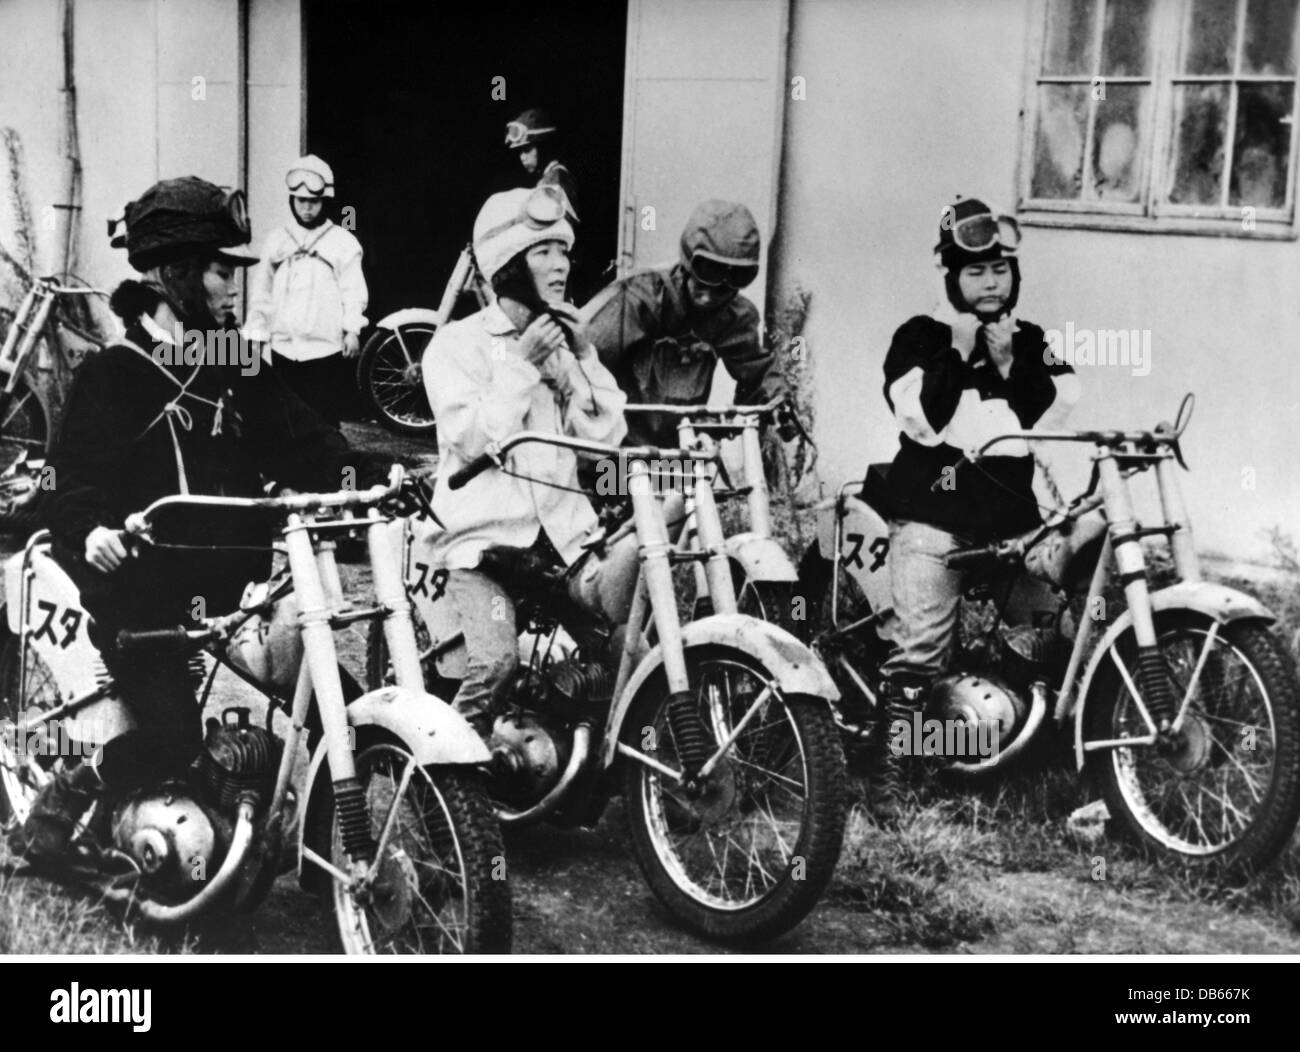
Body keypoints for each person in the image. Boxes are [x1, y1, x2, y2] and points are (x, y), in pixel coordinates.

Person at [9, 176, 379, 860]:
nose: (233, 286)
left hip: (233, 587)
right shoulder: (113, 374)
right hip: (143, 592)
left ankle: (328, 837)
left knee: (338, 698)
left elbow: (299, 435)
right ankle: (70, 792)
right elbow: (70, 478)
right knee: (173, 736)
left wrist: (371, 478)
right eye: (218, 270)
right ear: (173, 274)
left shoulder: (230, 358)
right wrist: (92, 531)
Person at [866, 197, 1080, 825]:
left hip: (1013, 529)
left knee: (1053, 634)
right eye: (975, 271)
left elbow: (1053, 414)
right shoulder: (919, 338)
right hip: (934, 522)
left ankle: (1024, 752)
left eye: (1001, 270)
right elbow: (924, 422)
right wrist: (958, 356)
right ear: (951, 275)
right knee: (921, 654)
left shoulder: (1034, 342)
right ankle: (890, 777)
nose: (991, 282)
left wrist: (1011, 363)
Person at [420, 186, 627, 739]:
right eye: (543, 252)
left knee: (628, 649)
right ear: (507, 267)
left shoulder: (561, 345)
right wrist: (522, 365)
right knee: (495, 663)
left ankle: (611, 775)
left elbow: (605, 439)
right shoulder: (456, 345)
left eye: (564, 251)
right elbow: (467, 441)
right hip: (482, 547)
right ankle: (445, 782)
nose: (561, 265)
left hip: (561, 545)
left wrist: (584, 357)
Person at [580, 200, 793, 449]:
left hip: (680, 450)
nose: (710, 296)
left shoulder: (733, 316)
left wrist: (778, 401)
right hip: (617, 447)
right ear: (688, 264)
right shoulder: (640, 299)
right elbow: (583, 361)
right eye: (704, 281)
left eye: (725, 287)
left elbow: (758, 372)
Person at [243, 155, 368, 429]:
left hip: (324, 348)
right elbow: (261, 291)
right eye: (301, 201)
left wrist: (352, 329)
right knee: (287, 416)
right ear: (292, 201)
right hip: (284, 346)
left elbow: (353, 289)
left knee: (323, 417)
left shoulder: (342, 242)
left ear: (325, 201)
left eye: (313, 201)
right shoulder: (277, 240)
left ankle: (328, 469)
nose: (307, 208)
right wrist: (256, 333)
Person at [505, 108, 579, 221]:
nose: (522, 157)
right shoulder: (551, 176)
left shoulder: (554, 180)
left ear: (543, 148)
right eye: (519, 152)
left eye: (527, 150)